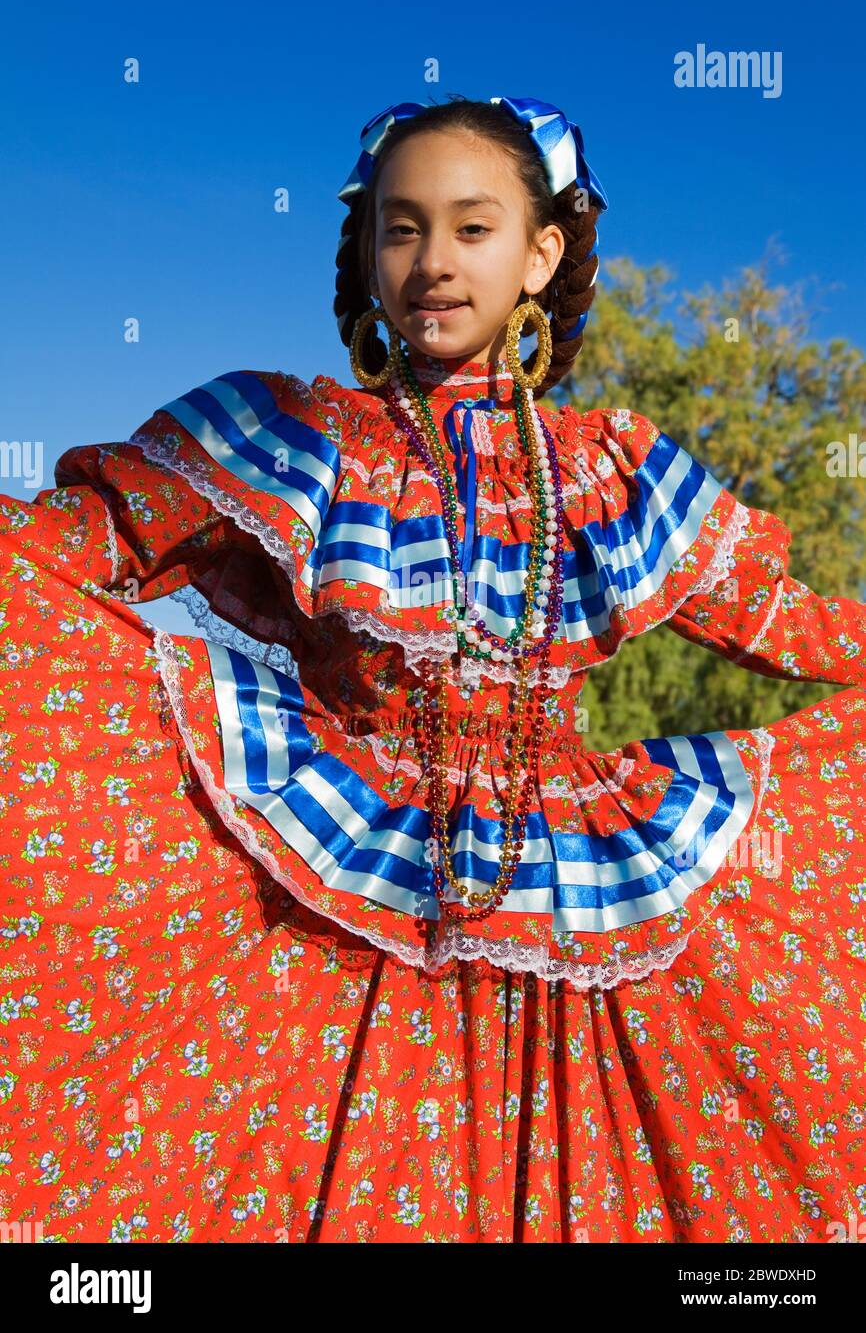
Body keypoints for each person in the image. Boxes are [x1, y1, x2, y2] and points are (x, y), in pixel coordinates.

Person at [1, 95, 864, 1245]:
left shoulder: (606, 469)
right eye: (399, 228)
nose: (432, 262)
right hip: (331, 898)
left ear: (539, 251)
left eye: (471, 227)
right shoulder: (289, 434)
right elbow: (72, 546)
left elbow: (795, 627)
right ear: (365, 250)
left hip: (566, 910)